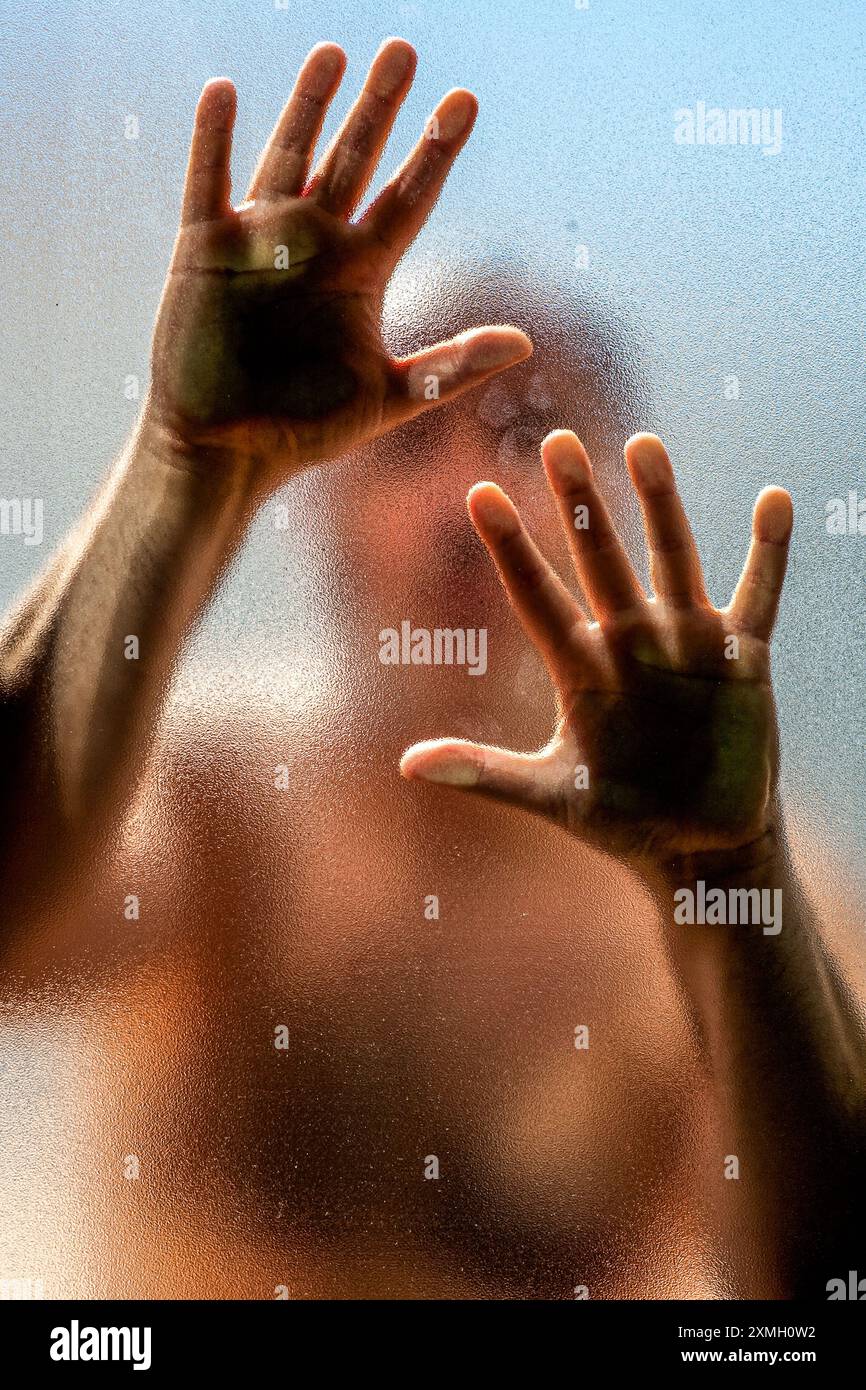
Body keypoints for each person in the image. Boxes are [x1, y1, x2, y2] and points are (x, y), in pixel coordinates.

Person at [0, 39, 863, 1300]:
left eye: (529, 427)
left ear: (623, 498)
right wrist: (177, 477)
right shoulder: (221, 800)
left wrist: (725, 890)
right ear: (313, 501)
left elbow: (809, 1297)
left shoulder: (748, 898)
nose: (470, 495)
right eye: (403, 443)